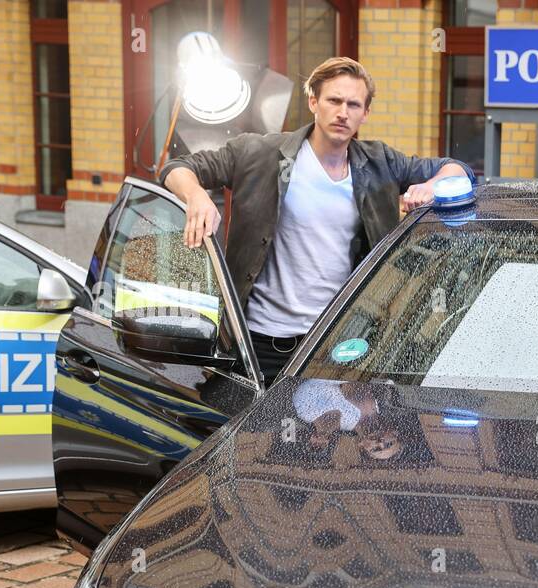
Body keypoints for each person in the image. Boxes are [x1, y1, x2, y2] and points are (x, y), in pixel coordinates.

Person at [160, 56, 473, 385]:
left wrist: (427, 186)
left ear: (365, 113)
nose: (343, 112)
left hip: (335, 344)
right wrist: (195, 195)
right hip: (256, 344)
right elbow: (179, 168)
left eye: (353, 104)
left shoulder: (380, 163)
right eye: (334, 100)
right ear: (313, 102)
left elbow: (457, 169)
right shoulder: (260, 153)